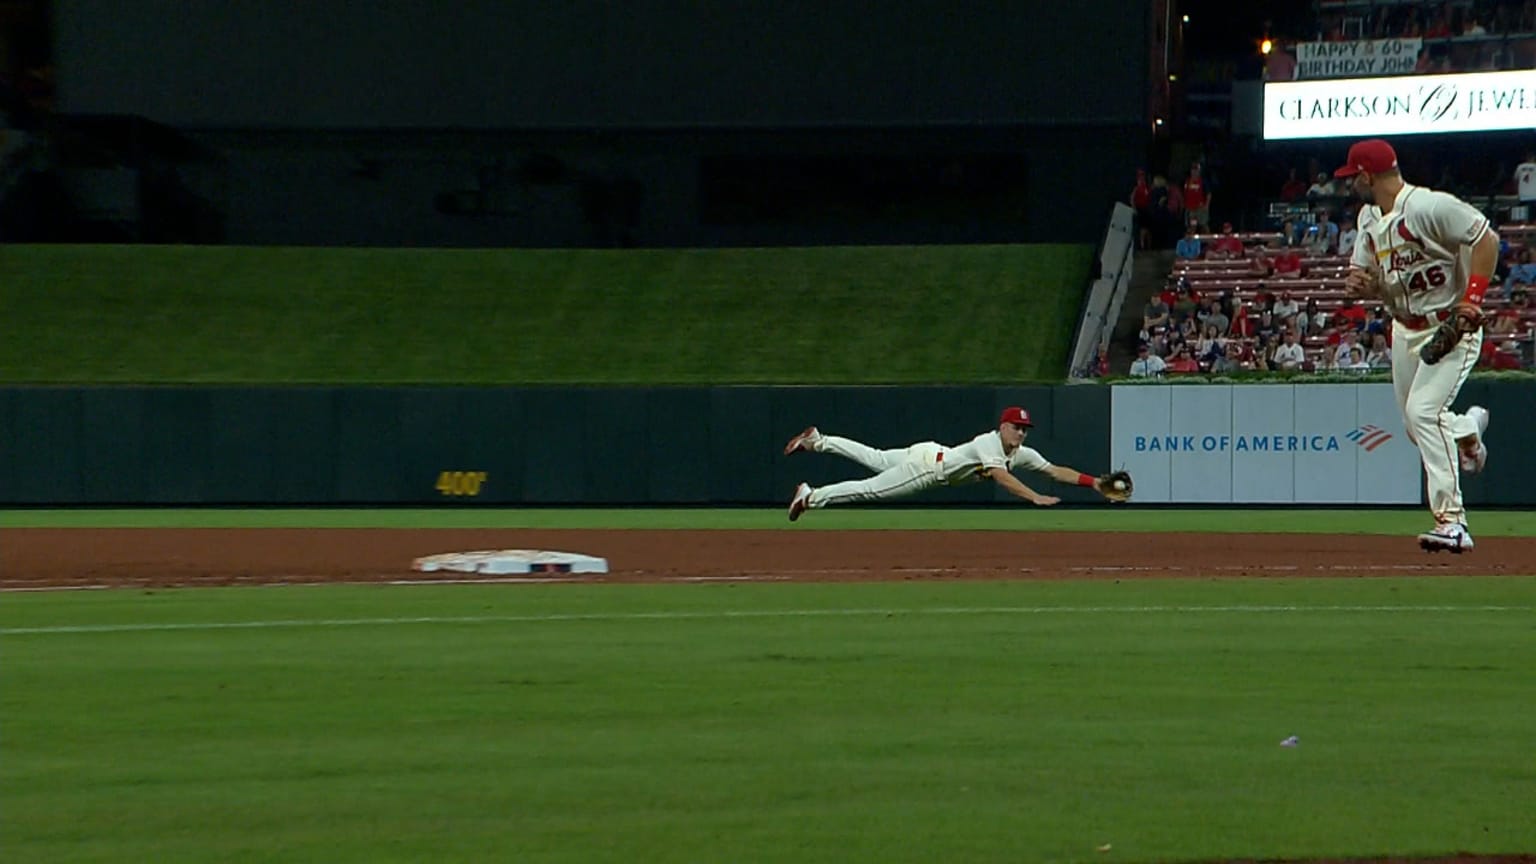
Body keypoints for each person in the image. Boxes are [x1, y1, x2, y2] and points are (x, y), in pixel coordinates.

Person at [1337, 138, 1494, 553]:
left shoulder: (1427, 206)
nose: (1350, 185)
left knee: (1423, 413)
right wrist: (1362, 284)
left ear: (1368, 176)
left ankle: (1453, 522)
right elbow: (1365, 275)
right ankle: (1467, 430)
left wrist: (1472, 300)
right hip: (1405, 330)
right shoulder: (1369, 218)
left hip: (1450, 327)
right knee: (1415, 427)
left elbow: (1485, 239)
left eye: (1353, 177)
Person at [782, 408, 1127, 520]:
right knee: (870, 490)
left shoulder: (1019, 452)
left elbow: (1054, 470)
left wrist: (1093, 482)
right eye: (1017, 427)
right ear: (1003, 426)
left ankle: (818, 441)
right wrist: (1033, 497)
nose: (1021, 433)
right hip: (926, 470)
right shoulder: (989, 443)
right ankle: (811, 496)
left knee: (873, 457)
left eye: (1025, 429)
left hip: (930, 451)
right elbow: (998, 476)